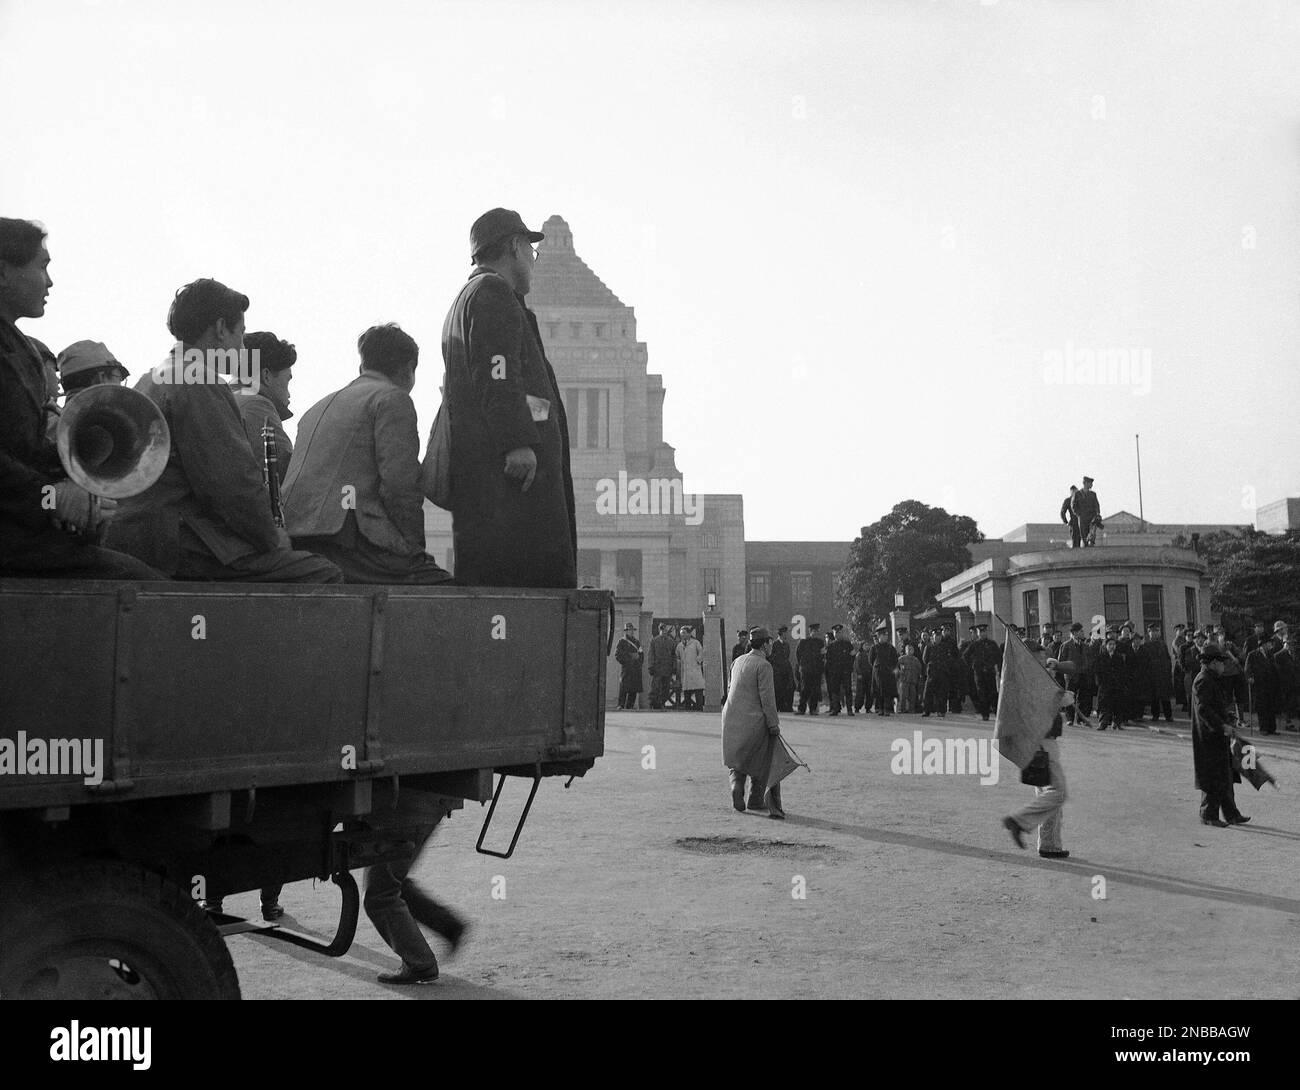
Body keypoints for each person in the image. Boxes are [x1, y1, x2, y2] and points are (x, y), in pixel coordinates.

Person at [104, 279, 341, 583]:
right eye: (240, 334)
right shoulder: (199, 380)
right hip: (178, 542)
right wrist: (270, 537)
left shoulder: (153, 376)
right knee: (322, 573)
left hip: (143, 534)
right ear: (220, 329)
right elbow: (230, 484)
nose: (242, 347)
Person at [0, 218, 162, 580]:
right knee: (149, 588)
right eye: (42, 267)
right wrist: (51, 496)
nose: (50, 281)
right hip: (11, 538)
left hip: (19, 530)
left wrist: (78, 481)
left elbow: (21, 449)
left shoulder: (20, 347)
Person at [436, 208, 575, 588]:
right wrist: (517, 441)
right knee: (528, 590)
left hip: (485, 483)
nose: (533, 261)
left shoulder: (466, 299)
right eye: (531, 251)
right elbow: (498, 373)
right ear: (515, 246)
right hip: (510, 486)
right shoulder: (492, 293)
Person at [281, 324, 451, 585]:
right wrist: (414, 549)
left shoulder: (317, 406)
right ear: (408, 369)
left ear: (363, 365)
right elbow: (400, 486)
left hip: (298, 542)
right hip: (348, 541)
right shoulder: (392, 399)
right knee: (443, 588)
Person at [1003, 652, 1077, 859]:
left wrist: (1055, 667)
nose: (1046, 660)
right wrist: (1061, 688)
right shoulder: (1038, 682)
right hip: (1043, 743)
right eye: (1042, 656)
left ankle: (1049, 844)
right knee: (1058, 793)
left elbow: (1071, 667)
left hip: (1036, 742)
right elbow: (1064, 698)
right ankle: (1018, 821)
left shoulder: (1029, 678)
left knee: (1047, 797)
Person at [722, 627, 784, 819]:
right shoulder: (764, 665)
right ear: (765, 644)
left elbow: (731, 689)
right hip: (752, 719)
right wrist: (773, 724)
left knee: (738, 758)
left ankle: (736, 785)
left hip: (730, 717)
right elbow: (767, 699)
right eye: (770, 643)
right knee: (764, 757)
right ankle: (756, 799)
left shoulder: (737, 661)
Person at [1191, 644, 1249, 827]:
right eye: (1222, 662)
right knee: (1213, 776)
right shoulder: (1203, 680)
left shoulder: (1211, 678)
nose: (1224, 666)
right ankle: (1208, 814)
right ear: (1213, 662)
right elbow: (1204, 710)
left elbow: (1214, 706)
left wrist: (1227, 717)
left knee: (1225, 775)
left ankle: (1231, 813)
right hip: (1209, 736)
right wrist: (1221, 725)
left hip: (1217, 735)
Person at [235, 331, 296, 483]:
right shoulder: (257, 406)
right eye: (287, 381)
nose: (289, 394)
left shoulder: (227, 399)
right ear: (266, 376)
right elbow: (286, 472)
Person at [57, 339, 130, 395]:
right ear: (101, 377)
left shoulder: (58, 414)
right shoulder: (109, 414)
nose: (121, 386)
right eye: (119, 378)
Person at [1137, 622, 1174, 722]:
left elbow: (1168, 659)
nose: (1154, 633)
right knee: (1154, 697)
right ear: (1148, 633)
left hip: (1163, 675)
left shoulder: (1163, 645)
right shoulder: (1145, 646)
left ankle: (1168, 715)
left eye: (1156, 631)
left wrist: (1168, 672)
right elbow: (1144, 663)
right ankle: (1155, 715)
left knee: (1165, 697)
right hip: (1152, 675)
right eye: (1152, 631)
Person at [1245, 632, 1280, 735]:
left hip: (1270, 684)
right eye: (1269, 643)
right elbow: (1247, 669)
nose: (1270, 645)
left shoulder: (1270, 654)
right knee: (1262, 706)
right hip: (1259, 684)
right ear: (1263, 644)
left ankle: (1272, 728)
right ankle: (1263, 728)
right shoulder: (1252, 654)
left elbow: (1274, 668)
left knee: (1271, 706)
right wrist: (1250, 677)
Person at [968, 622, 1002, 721]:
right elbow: (965, 656)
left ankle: (997, 713)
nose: (982, 634)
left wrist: (998, 669)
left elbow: (999, 657)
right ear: (978, 633)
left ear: (987, 632)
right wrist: (973, 666)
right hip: (979, 674)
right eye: (980, 632)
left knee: (993, 693)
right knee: (982, 694)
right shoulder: (974, 645)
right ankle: (985, 714)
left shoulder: (992, 644)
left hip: (990, 672)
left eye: (984, 632)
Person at [1094, 634, 1125, 730]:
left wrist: (1121, 682)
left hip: (1116, 684)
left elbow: (1122, 671)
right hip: (1105, 684)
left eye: (1114, 644)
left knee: (1117, 703)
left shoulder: (1119, 657)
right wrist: (1099, 683)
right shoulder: (1101, 657)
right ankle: (1103, 723)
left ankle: (1117, 722)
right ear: (1106, 646)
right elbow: (1097, 671)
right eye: (1110, 644)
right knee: (1104, 704)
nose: (1112, 646)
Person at [795, 623, 826, 715]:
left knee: (815, 690)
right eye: (815, 631)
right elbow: (798, 654)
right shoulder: (803, 642)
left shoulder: (820, 642)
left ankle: (813, 709)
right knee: (805, 689)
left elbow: (823, 654)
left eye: (817, 631)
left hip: (816, 669)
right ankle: (801, 708)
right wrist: (802, 665)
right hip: (806, 669)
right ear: (811, 631)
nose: (816, 633)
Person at [868, 626, 899, 715]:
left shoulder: (891, 648)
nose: (886, 637)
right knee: (879, 691)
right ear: (879, 637)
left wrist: (892, 668)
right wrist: (877, 667)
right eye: (883, 635)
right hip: (878, 672)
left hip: (888, 672)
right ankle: (880, 708)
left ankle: (887, 709)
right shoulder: (874, 648)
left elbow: (895, 659)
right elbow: (871, 660)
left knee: (887, 691)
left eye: (886, 635)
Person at [825, 625, 855, 715]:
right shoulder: (831, 646)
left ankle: (849, 709)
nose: (837, 634)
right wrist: (831, 671)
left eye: (839, 632)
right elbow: (828, 659)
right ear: (834, 634)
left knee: (848, 690)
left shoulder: (848, 644)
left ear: (842, 633)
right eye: (836, 633)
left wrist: (849, 667)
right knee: (835, 690)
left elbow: (853, 656)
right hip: (835, 671)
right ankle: (835, 709)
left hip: (845, 671)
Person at [1274, 632, 1300, 731]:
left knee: (1295, 703)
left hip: (1294, 683)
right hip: (1284, 684)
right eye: (1288, 643)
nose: (1291, 646)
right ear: (1285, 644)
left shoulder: (1294, 654)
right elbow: (1276, 668)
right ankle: (1288, 724)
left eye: (1293, 643)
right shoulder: (1279, 655)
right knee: (1286, 705)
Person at [615, 622, 644, 710]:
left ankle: (630, 705)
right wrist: (629, 657)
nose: (631, 632)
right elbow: (617, 654)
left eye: (632, 630)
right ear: (626, 631)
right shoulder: (621, 642)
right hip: (627, 668)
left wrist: (638, 660)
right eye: (629, 630)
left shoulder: (637, 642)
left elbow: (641, 654)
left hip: (635, 668)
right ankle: (621, 704)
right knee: (624, 686)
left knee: (634, 688)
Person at [648, 623, 677, 710]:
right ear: (659, 630)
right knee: (655, 687)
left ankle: (662, 703)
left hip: (667, 668)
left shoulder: (671, 641)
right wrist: (651, 666)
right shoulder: (654, 640)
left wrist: (674, 667)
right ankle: (653, 704)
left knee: (666, 688)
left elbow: (673, 655)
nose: (663, 632)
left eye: (665, 630)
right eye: (662, 630)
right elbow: (651, 654)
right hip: (657, 668)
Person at [769, 625, 796, 712]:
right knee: (778, 689)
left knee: (787, 688)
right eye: (785, 633)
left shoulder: (786, 645)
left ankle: (787, 707)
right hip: (777, 671)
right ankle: (778, 706)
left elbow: (787, 656)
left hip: (785, 670)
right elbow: (771, 657)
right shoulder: (774, 644)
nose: (786, 635)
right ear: (781, 634)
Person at [677, 625, 705, 710]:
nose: (682, 635)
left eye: (684, 633)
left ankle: (699, 707)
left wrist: (698, 661)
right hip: (685, 671)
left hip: (695, 669)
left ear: (689, 633)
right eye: (681, 634)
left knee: (698, 690)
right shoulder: (679, 646)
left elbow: (701, 652)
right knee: (687, 691)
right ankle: (688, 708)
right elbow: (677, 657)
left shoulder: (695, 643)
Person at [1071, 476, 1101, 547]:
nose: (1092, 485)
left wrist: (1097, 514)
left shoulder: (1093, 494)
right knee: (1084, 537)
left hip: (1092, 518)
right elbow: (1073, 505)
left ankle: (1091, 549)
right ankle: (1085, 551)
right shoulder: (1077, 494)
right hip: (1082, 518)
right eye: (1090, 483)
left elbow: (1096, 505)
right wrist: (1078, 514)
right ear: (1085, 483)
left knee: (1091, 537)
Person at [896, 643, 922, 713]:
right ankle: (901, 709)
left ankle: (911, 709)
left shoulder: (915, 660)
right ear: (906, 650)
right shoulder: (902, 658)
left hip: (913, 680)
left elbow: (919, 668)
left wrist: (919, 676)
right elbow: (895, 665)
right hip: (904, 680)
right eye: (909, 649)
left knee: (912, 696)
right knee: (903, 696)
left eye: (912, 649)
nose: (910, 651)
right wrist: (899, 672)